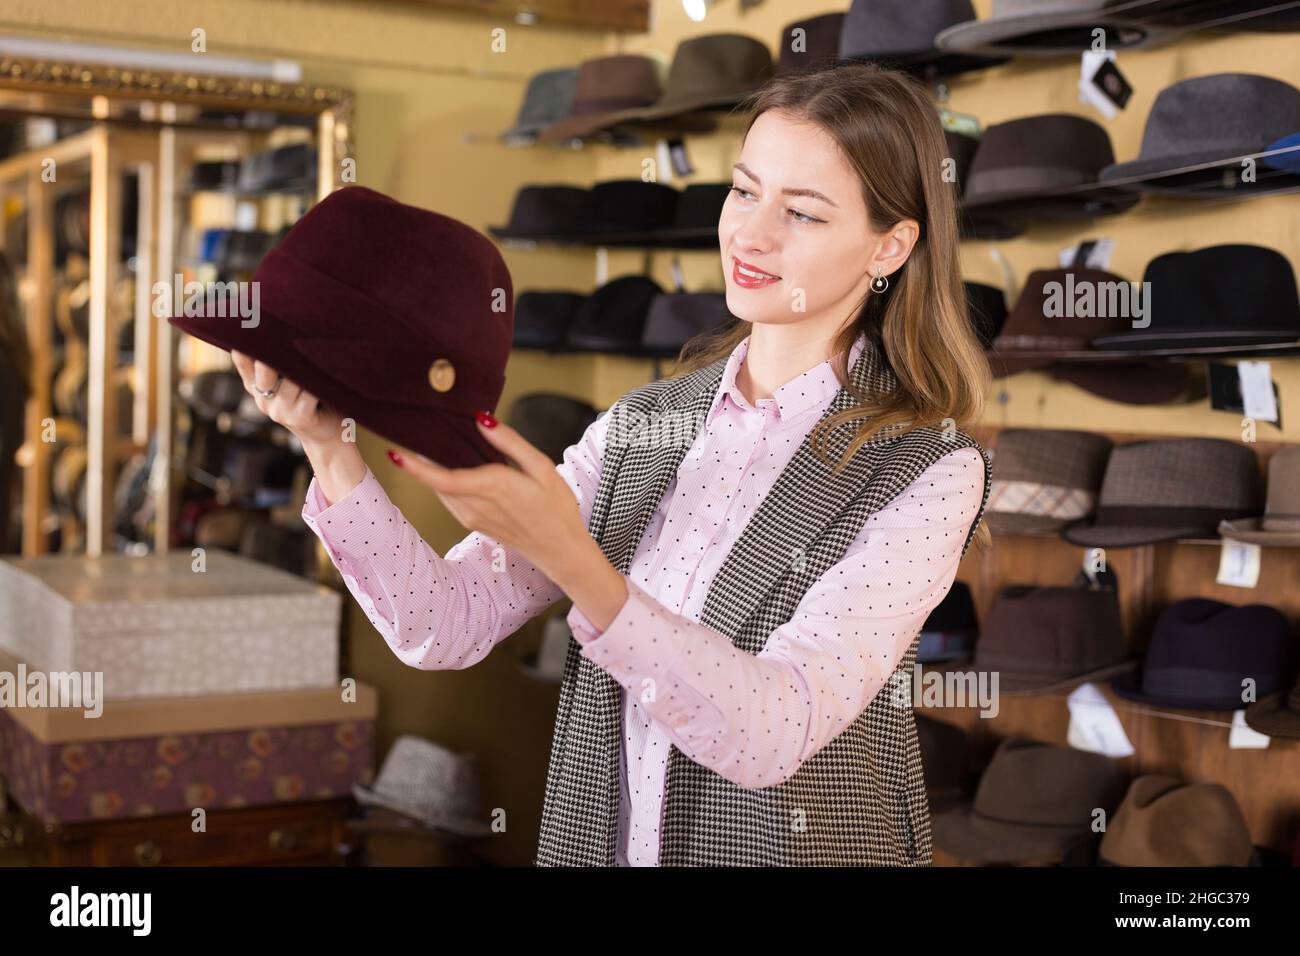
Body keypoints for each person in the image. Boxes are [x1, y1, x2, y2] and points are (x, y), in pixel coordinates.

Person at [230, 62, 992, 866]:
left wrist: (574, 559)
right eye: (742, 191)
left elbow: (774, 730)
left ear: (892, 244)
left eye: (801, 213)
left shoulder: (929, 470)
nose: (751, 234)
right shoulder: (643, 425)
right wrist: (326, 444)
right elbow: (443, 625)